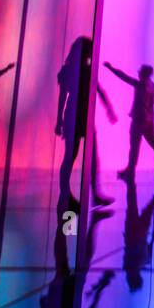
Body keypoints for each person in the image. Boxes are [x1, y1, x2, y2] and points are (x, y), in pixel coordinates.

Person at [56, 37, 118, 211]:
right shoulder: (71, 70)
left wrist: (109, 109)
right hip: (74, 116)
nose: (91, 53)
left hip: (83, 116)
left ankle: (92, 194)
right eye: (89, 50)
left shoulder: (83, 70)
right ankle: (66, 194)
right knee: (71, 156)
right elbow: (63, 97)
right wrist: (59, 120)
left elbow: (99, 90)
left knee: (87, 157)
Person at [104, 61, 154, 174]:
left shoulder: (141, 84)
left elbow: (124, 77)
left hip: (139, 119)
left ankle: (130, 169)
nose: (138, 72)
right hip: (149, 120)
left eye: (140, 71)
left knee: (134, 145)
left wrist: (111, 68)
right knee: (153, 143)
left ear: (144, 73)